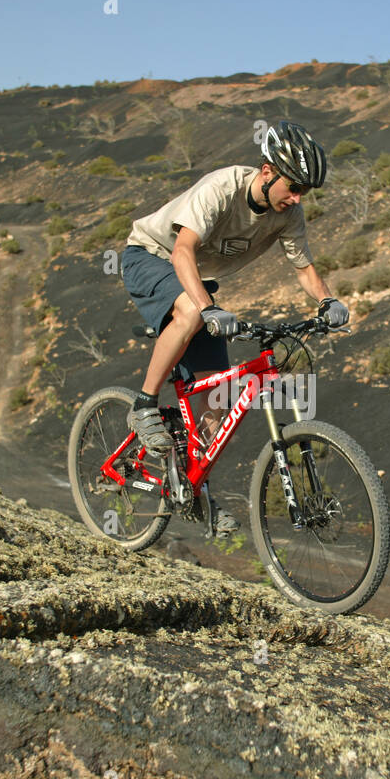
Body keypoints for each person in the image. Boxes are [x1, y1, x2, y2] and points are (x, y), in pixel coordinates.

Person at [119, 121, 350, 530]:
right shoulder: (222, 188)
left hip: (192, 280)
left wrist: (327, 301)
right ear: (267, 171)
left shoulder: (289, 214)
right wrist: (207, 308)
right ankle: (142, 406)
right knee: (192, 312)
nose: (297, 198)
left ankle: (193, 493)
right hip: (151, 257)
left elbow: (304, 268)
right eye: (292, 186)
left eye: (304, 192)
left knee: (215, 406)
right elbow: (182, 251)